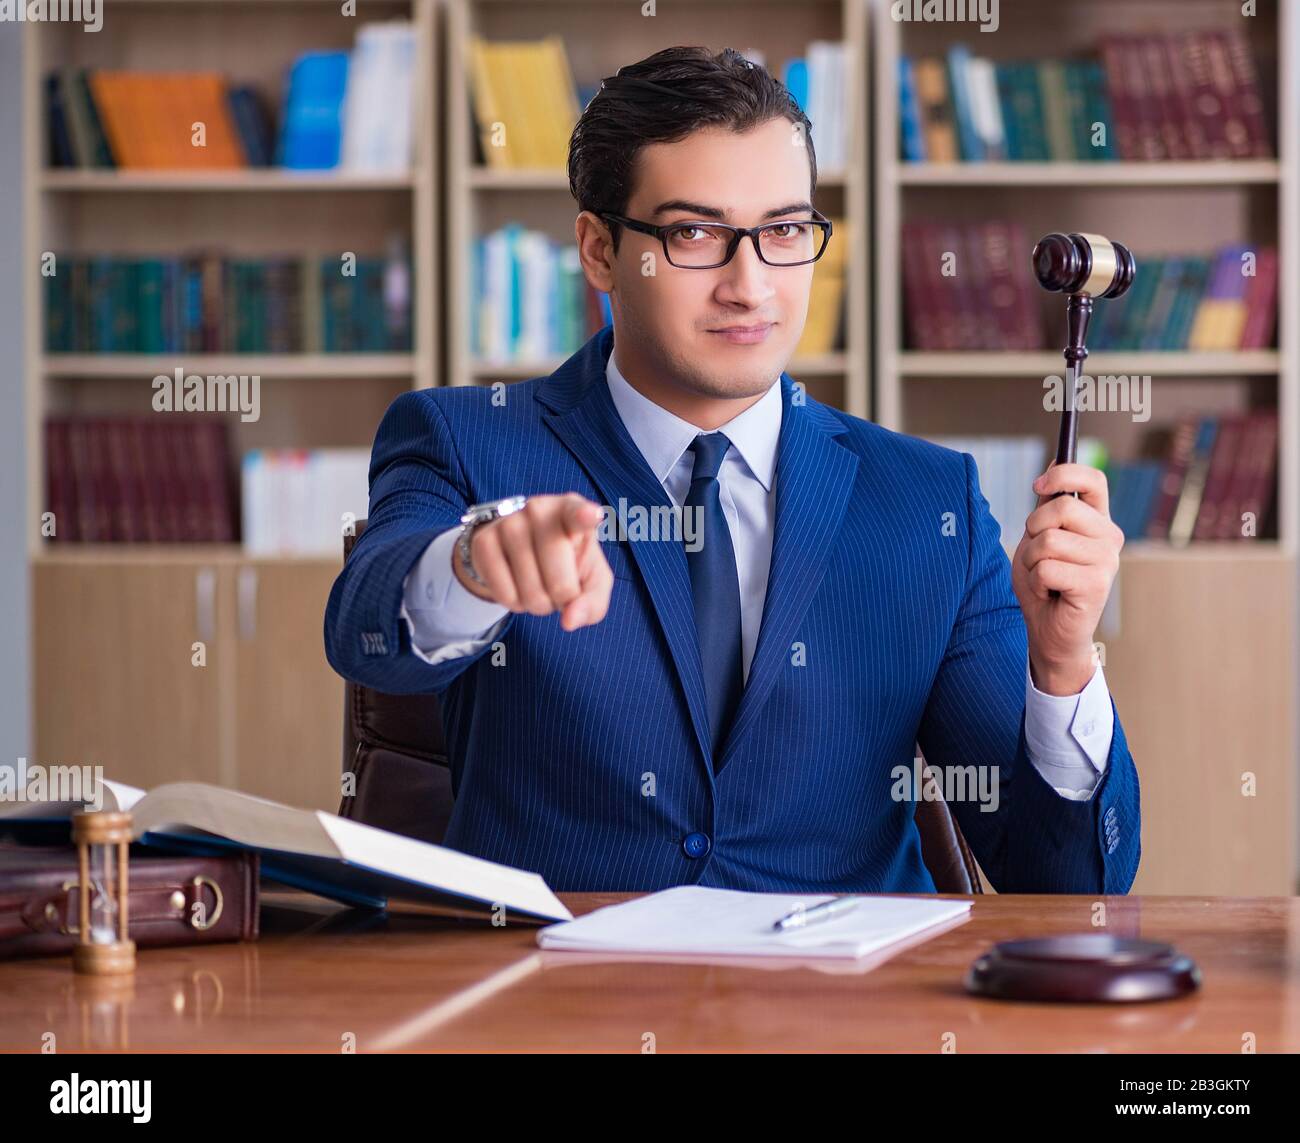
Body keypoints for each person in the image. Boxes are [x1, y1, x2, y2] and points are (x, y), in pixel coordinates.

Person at [324, 46, 1138, 894]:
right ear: (600, 251)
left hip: (841, 1008)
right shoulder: (467, 439)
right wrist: (469, 565)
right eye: (695, 234)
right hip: (560, 998)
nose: (750, 286)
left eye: (784, 231)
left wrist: (1064, 668)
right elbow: (367, 632)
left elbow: (1070, 879)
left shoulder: (928, 503)